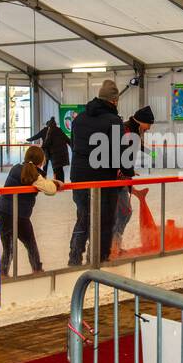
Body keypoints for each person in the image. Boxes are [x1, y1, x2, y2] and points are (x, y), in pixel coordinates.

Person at [68, 80, 124, 267]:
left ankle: (74, 258)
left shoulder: (79, 119)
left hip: (79, 178)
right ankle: (99, 259)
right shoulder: (114, 121)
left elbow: (74, 145)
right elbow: (119, 155)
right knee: (104, 221)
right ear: (114, 101)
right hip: (103, 180)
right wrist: (125, 173)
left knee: (83, 218)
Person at [0, 145, 60, 275]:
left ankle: (3, 273)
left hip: (3, 212)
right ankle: (37, 269)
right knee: (30, 243)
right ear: (41, 161)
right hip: (20, 216)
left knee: (8, 248)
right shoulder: (33, 174)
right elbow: (50, 190)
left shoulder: (16, 168)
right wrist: (56, 183)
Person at [110, 106, 153, 256]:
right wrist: (122, 170)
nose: (149, 128)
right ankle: (112, 246)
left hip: (123, 176)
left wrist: (149, 152)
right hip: (117, 178)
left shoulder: (133, 130)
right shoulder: (127, 129)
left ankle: (114, 246)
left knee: (122, 212)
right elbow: (119, 151)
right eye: (149, 124)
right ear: (142, 121)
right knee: (124, 212)